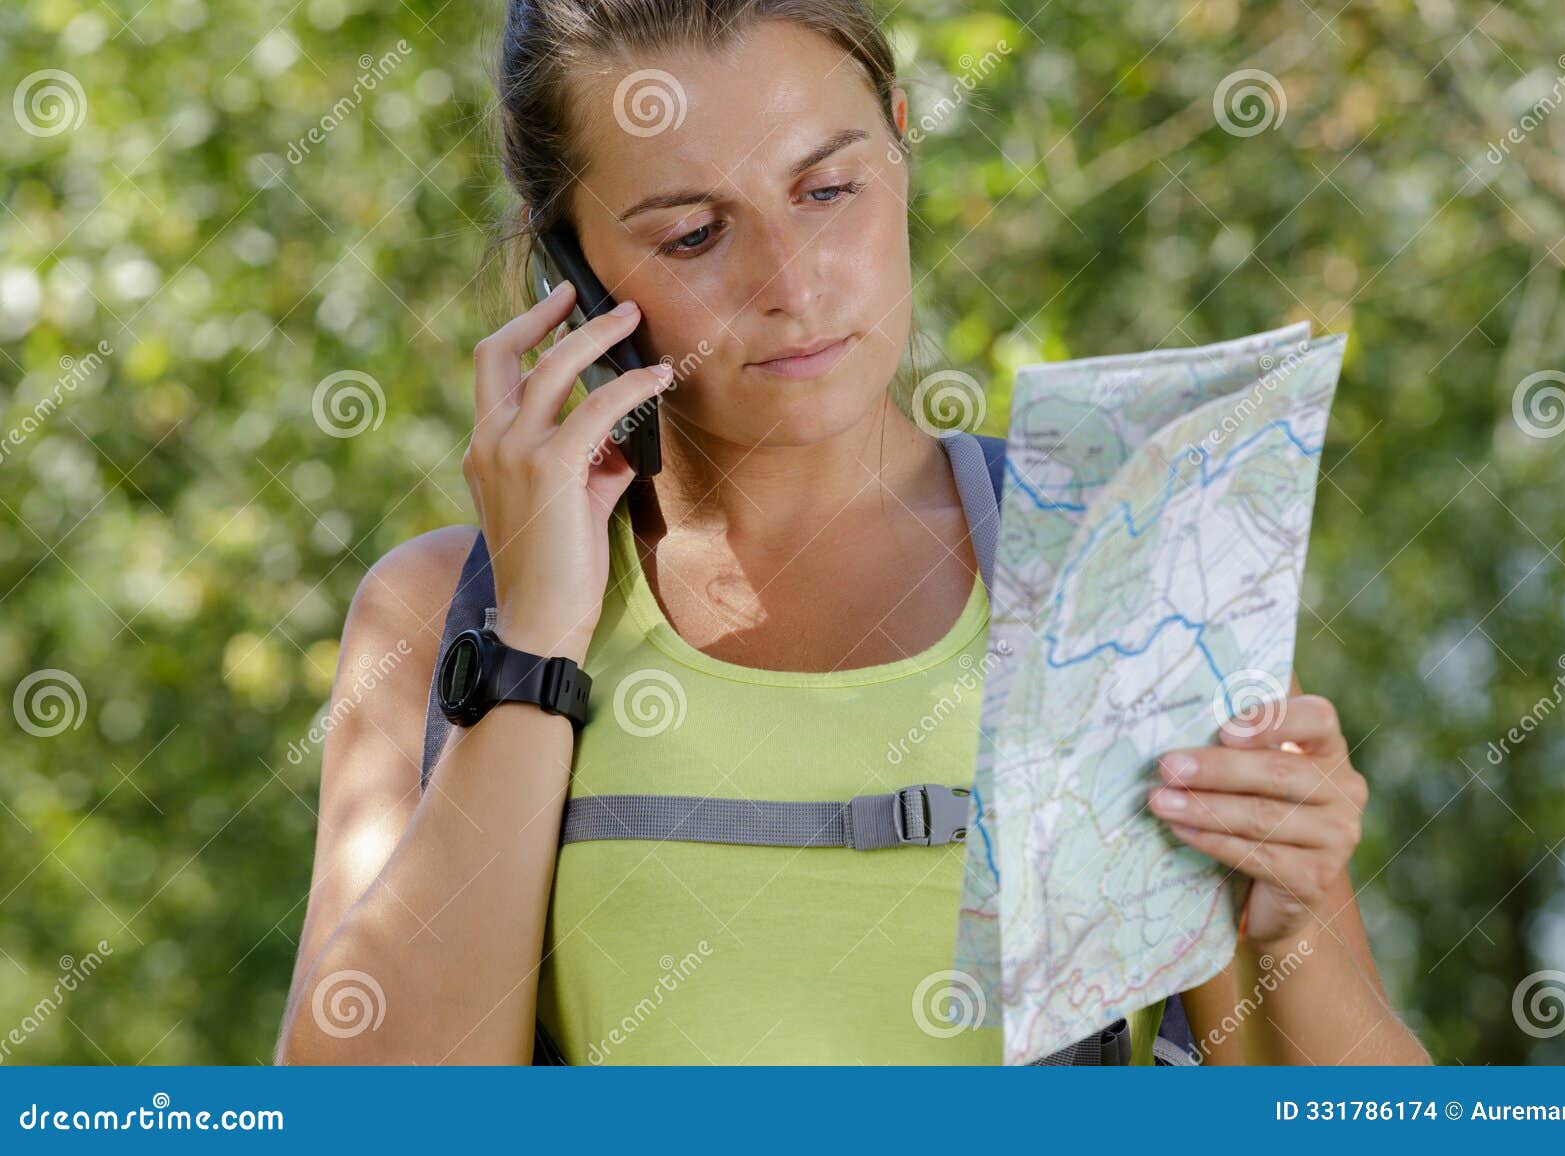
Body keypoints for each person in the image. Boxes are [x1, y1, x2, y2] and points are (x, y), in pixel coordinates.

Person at [275, 0, 1430, 1065]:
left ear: (900, 139)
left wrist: (1297, 900)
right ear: (566, 265)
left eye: (828, 191)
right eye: (691, 235)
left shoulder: (1116, 559)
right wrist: (533, 645)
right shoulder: (444, 614)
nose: (792, 284)